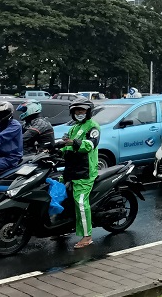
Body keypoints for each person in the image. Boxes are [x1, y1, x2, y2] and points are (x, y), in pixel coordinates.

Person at [54, 98, 100, 249]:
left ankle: (87, 236)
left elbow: (90, 145)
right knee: (61, 197)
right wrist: (55, 151)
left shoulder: (93, 127)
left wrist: (74, 142)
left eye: (82, 110)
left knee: (80, 203)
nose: (79, 113)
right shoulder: (73, 128)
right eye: (76, 111)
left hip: (84, 171)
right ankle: (63, 227)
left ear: (88, 112)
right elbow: (66, 146)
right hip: (71, 170)